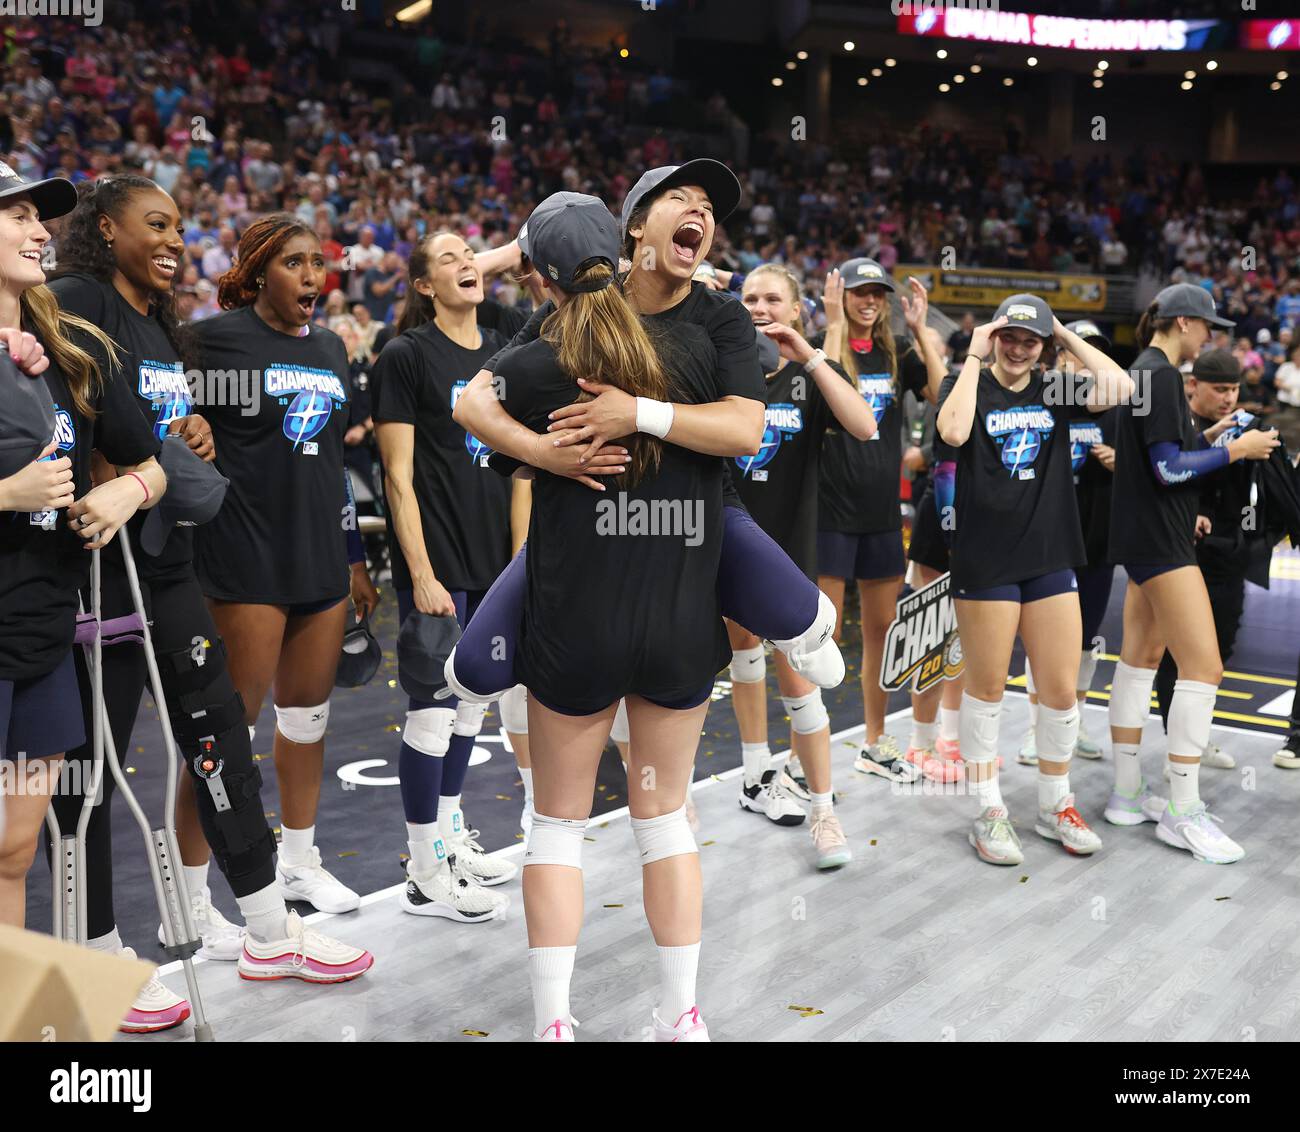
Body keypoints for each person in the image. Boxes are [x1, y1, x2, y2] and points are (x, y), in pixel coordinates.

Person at [46, 175, 370, 1018]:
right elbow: (97, 424)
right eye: (154, 224)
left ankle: (266, 925)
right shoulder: (74, 296)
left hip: (166, 555)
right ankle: (98, 956)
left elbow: (160, 428)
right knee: (93, 762)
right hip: (93, 563)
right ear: (105, 227)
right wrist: (157, 451)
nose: (173, 240)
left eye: (181, 228)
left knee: (220, 732)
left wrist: (185, 435)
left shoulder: (158, 324)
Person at [466, 191, 761, 1042]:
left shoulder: (542, 355)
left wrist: (537, 450)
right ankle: (681, 1017)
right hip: (678, 608)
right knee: (662, 816)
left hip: (575, 612)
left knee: (555, 825)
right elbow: (746, 431)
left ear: (541, 277)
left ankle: (555, 1026)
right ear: (627, 238)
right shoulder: (702, 338)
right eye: (682, 197)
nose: (698, 210)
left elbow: (466, 400)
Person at [0, 171, 166, 1013]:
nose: (39, 231)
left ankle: (15, 1020)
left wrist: (123, 493)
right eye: (19, 215)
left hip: (41, 634)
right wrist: (6, 494)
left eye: (41, 217)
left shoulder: (70, 351)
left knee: (16, 847)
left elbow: (151, 461)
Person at [193, 214, 382, 937]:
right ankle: (194, 892)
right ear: (257, 271)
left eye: (318, 264)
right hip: (244, 559)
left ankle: (299, 862)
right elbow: (172, 431)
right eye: (294, 263)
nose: (312, 276)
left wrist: (355, 556)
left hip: (319, 558)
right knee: (223, 735)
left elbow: (331, 462)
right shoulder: (212, 342)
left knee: (307, 719)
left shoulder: (332, 347)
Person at [937, 294, 1134, 865]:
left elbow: (1120, 389)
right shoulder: (971, 381)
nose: (1020, 348)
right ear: (994, 338)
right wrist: (973, 359)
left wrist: (1066, 336)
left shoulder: (1056, 389)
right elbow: (951, 433)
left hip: (1051, 555)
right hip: (986, 558)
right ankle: (989, 809)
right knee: (988, 689)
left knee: (1060, 691)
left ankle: (1055, 803)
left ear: (1043, 346)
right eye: (1011, 337)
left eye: (1031, 340)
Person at [371, 229, 521, 919]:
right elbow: (397, 479)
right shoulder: (404, 355)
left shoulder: (505, 344)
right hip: (439, 562)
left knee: (471, 708)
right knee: (431, 716)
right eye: (450, 258)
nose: (468, 263)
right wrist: (421, 574)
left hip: (494, 561)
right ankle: (423, 870)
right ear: (423, 285)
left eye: (473, 253)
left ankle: (452, 839)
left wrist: (522, 563)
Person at [1106, 284, 1279, 863]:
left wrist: (1211, 438)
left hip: (1146, 537)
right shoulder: (1157, 376)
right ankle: (1182, 809)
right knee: (1203, 665)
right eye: (1208, 328)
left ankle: (1127, 795)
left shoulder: (1147, 371)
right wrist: (1237, 450)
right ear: (1184, 322)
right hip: (1162, 541)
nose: (1212, 338)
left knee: (1140, 662)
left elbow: (1167, 452)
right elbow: (1167, 470)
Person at [726, 262, 879, 868]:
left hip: (788, 555)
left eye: (772, 299)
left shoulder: (811, 375)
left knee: (801, 687)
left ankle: (824, 812)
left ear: (795, 309)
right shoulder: (720, 369)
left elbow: (865, 427)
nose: (759, 307)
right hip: (723, 549)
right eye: (749, 298)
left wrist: (810, 355)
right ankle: (757, 776)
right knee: (741, 663)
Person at [815, 258, 946, 783]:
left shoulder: (896, 357)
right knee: (818, 637)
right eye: (859, 292)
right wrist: (831, 326)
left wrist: (921, 330)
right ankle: (814, 751)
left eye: (877, 294)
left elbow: (942, 393)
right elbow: (818, 402)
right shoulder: (823, 346)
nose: (869, 301)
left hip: (880, 515)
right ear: (842, 294)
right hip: (828, 512)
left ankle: (873, 740)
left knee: (880, 633)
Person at [1018, 320, 1119, 767]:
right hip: (1049, 539)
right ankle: (1036, 727)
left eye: (1090, 351)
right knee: (1043, 640)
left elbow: (1151, 466)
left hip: (1097, 539)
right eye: (1075, 350)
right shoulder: (1043, 397)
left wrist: (1124, 464)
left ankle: (1070, 725)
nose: (1081, 359)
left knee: (1086, 638)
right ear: (1057, 354)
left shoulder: (1113, 407)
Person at [1151, 349, 1256, 770]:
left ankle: (1195, 735)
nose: (1229, 397)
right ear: (1193, 385)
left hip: (1228, 554)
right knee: (1171, 653)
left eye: (1234, 389)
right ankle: (1175, 742)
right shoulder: (1176, 422)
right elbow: (1164, 474)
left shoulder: (1238, 428)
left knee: (1220, 647)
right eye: (1220, 388)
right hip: (1179, 553)